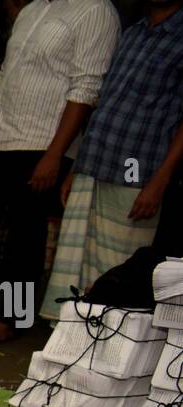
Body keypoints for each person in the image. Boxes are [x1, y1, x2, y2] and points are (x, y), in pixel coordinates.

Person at [0, 0, 120, 340]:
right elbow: (5, 77)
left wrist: (55, 154)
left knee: (24, 233)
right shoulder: (33, 9)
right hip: (1, 137)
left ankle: (10, 320)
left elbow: (86, 88)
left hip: (44, 142)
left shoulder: (95, 10)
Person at [40, 0, 183, 320]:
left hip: (139, 172)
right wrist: (77, 167)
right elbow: (106, 101)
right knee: (78, 260)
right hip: (97, 163)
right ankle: (73, 335)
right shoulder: (132, 31)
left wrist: (159, 183)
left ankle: (105, 343)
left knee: (120, 270)